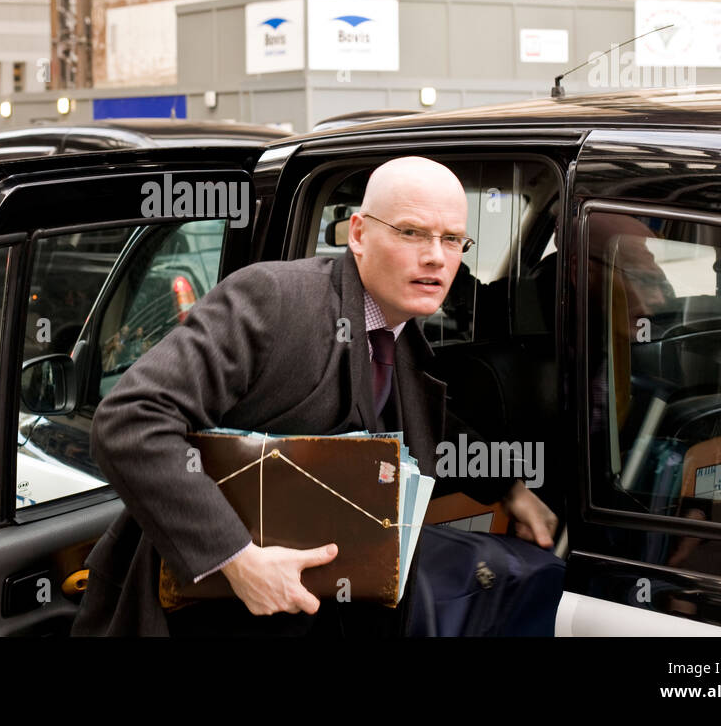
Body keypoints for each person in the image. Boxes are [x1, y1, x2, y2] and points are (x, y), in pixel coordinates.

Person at [70, 156, 558, 636]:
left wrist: (510, 489)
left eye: (452, 239)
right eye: (411, 232)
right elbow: (129, 420)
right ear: (360, 235)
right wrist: (237, 560)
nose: (436, 256)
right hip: (200, 611)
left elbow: (431, 426)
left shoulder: (400, 335)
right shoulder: (274, 299)